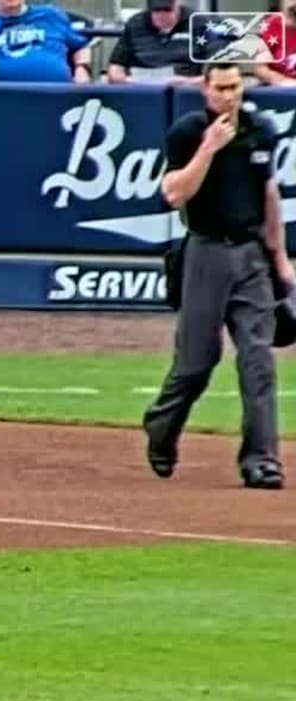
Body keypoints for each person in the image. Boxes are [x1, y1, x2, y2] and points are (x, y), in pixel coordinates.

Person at [146, 62, 290, 490]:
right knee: (196, 364)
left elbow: (269, 197)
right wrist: (208, 148)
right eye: (220, 88)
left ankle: (261, 460)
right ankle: (161, 426)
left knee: (258, 360)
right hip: (205, 251)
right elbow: (173, 193)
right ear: (205, 89)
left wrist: (281, 260)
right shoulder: (189, 132)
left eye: (235, 87)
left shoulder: (260, 130)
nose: (229, 95)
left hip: (249, 255)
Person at [105, 0, 199, 85]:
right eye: (156, 10)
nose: (161, 15)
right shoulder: (134, 24)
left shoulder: (199, 23)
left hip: (186, 91)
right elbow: (116, 67)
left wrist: (186, 82)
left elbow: (212, 71)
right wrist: (126, 80)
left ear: (178, 3)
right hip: (140, 90)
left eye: (167, 10)